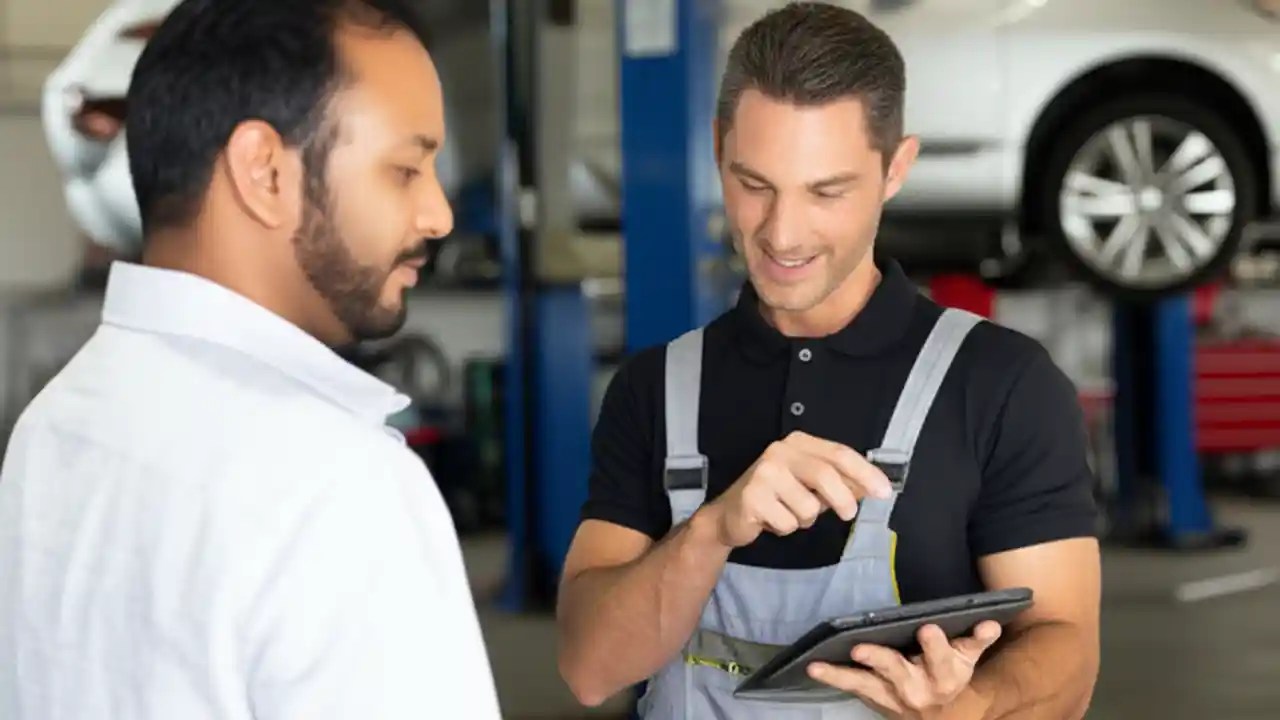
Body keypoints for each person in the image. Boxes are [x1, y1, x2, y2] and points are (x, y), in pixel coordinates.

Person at [555, 3, 1102, 718]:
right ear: (719, 148)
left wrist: (971, 705)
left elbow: (1068, 652)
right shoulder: (654, 390)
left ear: (896, 167)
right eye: (754, 184)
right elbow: (590, 669)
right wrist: (711, 530)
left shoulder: (1003, 385)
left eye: (827, 191)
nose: (782, 233)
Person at [0, 1, 502, 718]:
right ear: (265, 172)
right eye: (405, 168)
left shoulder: (53, 427)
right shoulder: (340, 485)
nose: (438, 215)